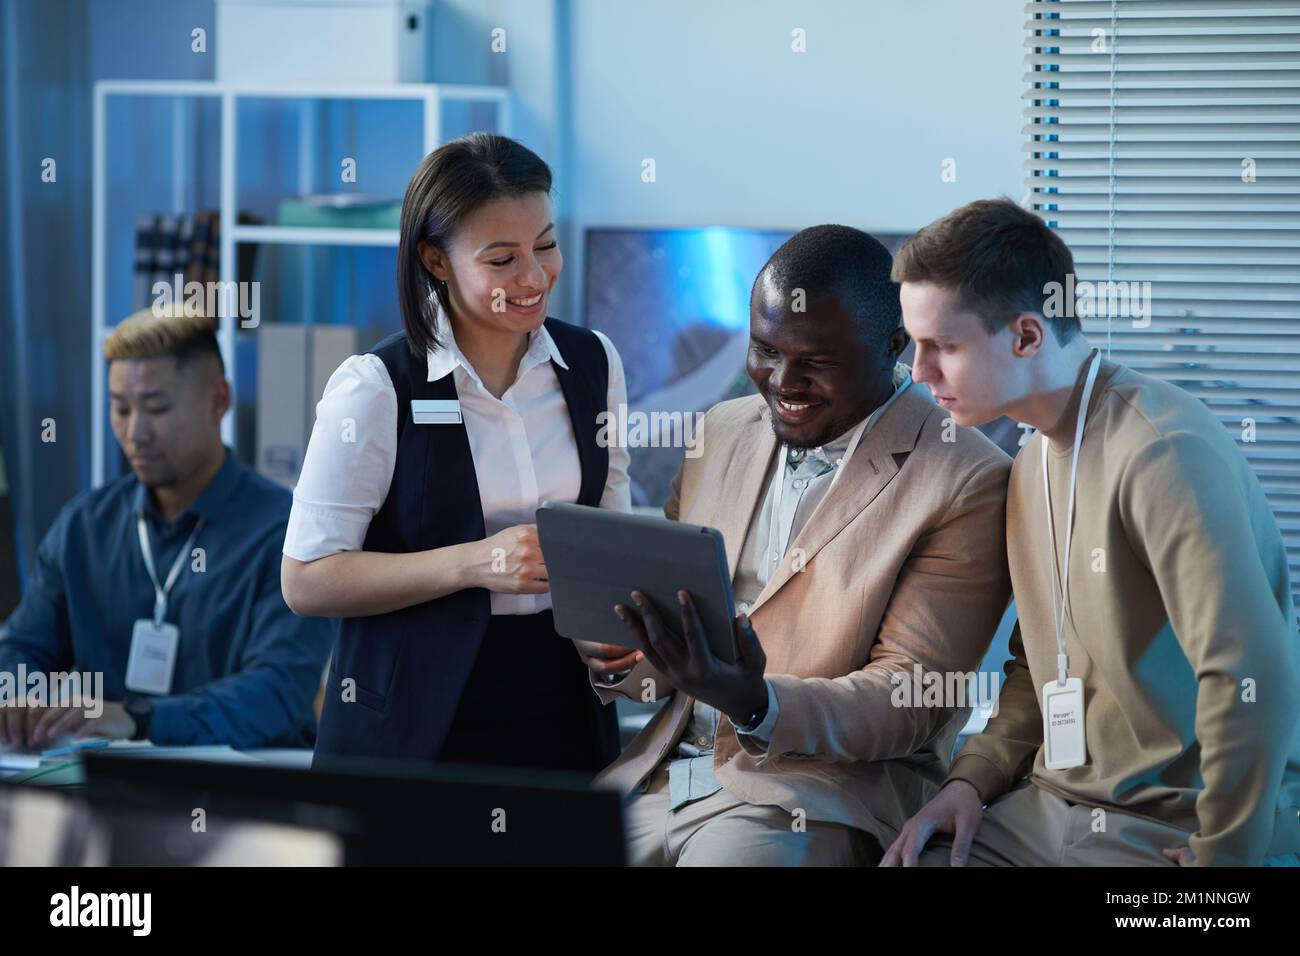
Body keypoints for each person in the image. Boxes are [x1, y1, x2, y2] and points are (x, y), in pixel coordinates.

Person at [575, 225, 1013, 865]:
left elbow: (909, 697)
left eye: (817, 362)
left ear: (895, 346)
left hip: (817, 793)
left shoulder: (967, 477)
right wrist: (625, 656)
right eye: (765, 350)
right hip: (664, 776)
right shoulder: (721, 431)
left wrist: (757, 703)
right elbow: (664, 643)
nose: (783, 380)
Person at [883, 198, 1299, 867]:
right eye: (915, 345)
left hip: (1170, 823)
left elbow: (1254, 675)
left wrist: (1227, 855)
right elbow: (1038, 673)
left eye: (944, 347)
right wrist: (967, 781)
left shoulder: (1161, 452)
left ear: (1025, 336)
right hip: (1049, 806)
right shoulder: (1029, 463)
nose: (920, 372)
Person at [282, 133, 630, 774]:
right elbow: (306, 580)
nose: (533, 277)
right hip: (413, 724)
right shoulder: (377, 386)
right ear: (435, 260)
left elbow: (606, 536)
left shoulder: (592, 362)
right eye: (501, 259)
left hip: (564, 709)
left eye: (545, 245)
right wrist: (474, 563)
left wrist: (609, 627)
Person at [0, 309, 332, 749]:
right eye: (120, 408)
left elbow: (279, 693)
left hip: (244, 793)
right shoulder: (85, 526)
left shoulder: (287, 534)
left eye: (156, 407)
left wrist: (139, 719)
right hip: (94, 784)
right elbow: (23, 646)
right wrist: (17, 694)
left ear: (219, 400)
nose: (135, 432)